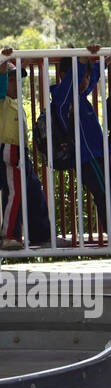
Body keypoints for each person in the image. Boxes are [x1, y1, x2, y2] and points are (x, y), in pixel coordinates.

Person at [50, 46, 111, 247]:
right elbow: (74, 80)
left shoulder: (80, 95)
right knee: (106, 196)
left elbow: (91, 78)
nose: (86, 82)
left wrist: (101, 63)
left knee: (109, 194)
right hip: (87, 159)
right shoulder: (63, 97)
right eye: (83, 77)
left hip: (97, 156)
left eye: (88, 77)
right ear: (64, 75)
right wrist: (81, 61)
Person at [0, 55, 52, 250]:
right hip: (9, 149)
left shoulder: (15, 102)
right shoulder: (2, 99)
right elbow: (1, 83)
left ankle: (41, 235)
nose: (14, 84)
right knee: (14, 193)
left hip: (22, 153)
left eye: (17, 80)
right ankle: (8, 235)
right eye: (10, 80)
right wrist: (4, 65)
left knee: (33, 192)